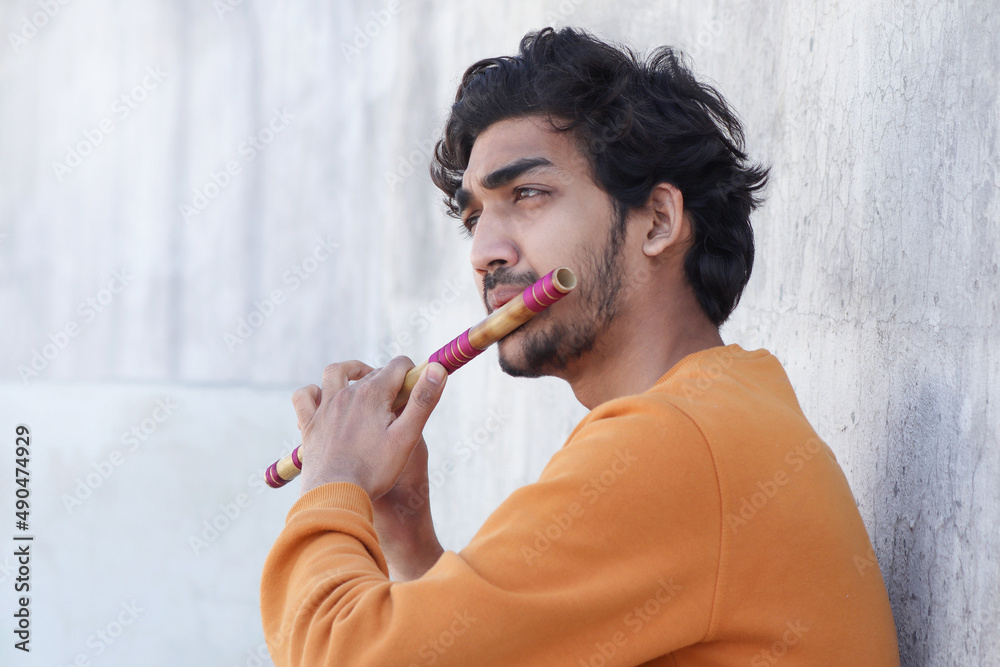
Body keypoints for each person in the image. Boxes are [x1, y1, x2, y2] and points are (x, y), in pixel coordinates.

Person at [260, 27, 900, 666]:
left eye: (528, 195)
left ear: (657, 222)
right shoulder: (718, 411)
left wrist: (332, 476)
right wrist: (407, 536)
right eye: (474, 218)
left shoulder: (677, 442)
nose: (485, 252)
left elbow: (341, 655)